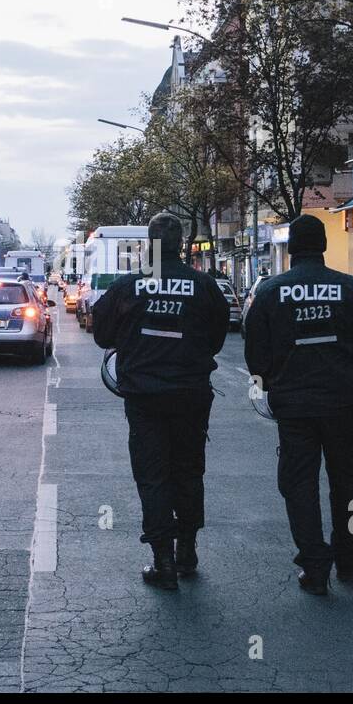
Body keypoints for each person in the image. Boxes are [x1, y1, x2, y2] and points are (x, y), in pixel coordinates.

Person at [243, 215, 353, 596]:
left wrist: (264, 386)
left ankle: (314, 566)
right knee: (348, 482)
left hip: (294, 407)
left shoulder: (270, 293)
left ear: (291, 248)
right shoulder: (350, 290)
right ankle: (348, 556)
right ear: (324, 247)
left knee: (299, 484)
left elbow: (256, 356)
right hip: (343, 404)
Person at [92, 212, 229, 589]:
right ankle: (187, 549)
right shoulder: (204, 286)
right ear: (181, 243)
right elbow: (218, 336)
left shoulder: (128, 287)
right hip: (190, 394)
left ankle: (162, 560)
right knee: (188, 471)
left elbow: (102, 335)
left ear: (149, 246)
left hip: (144, 397)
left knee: (153, 476)